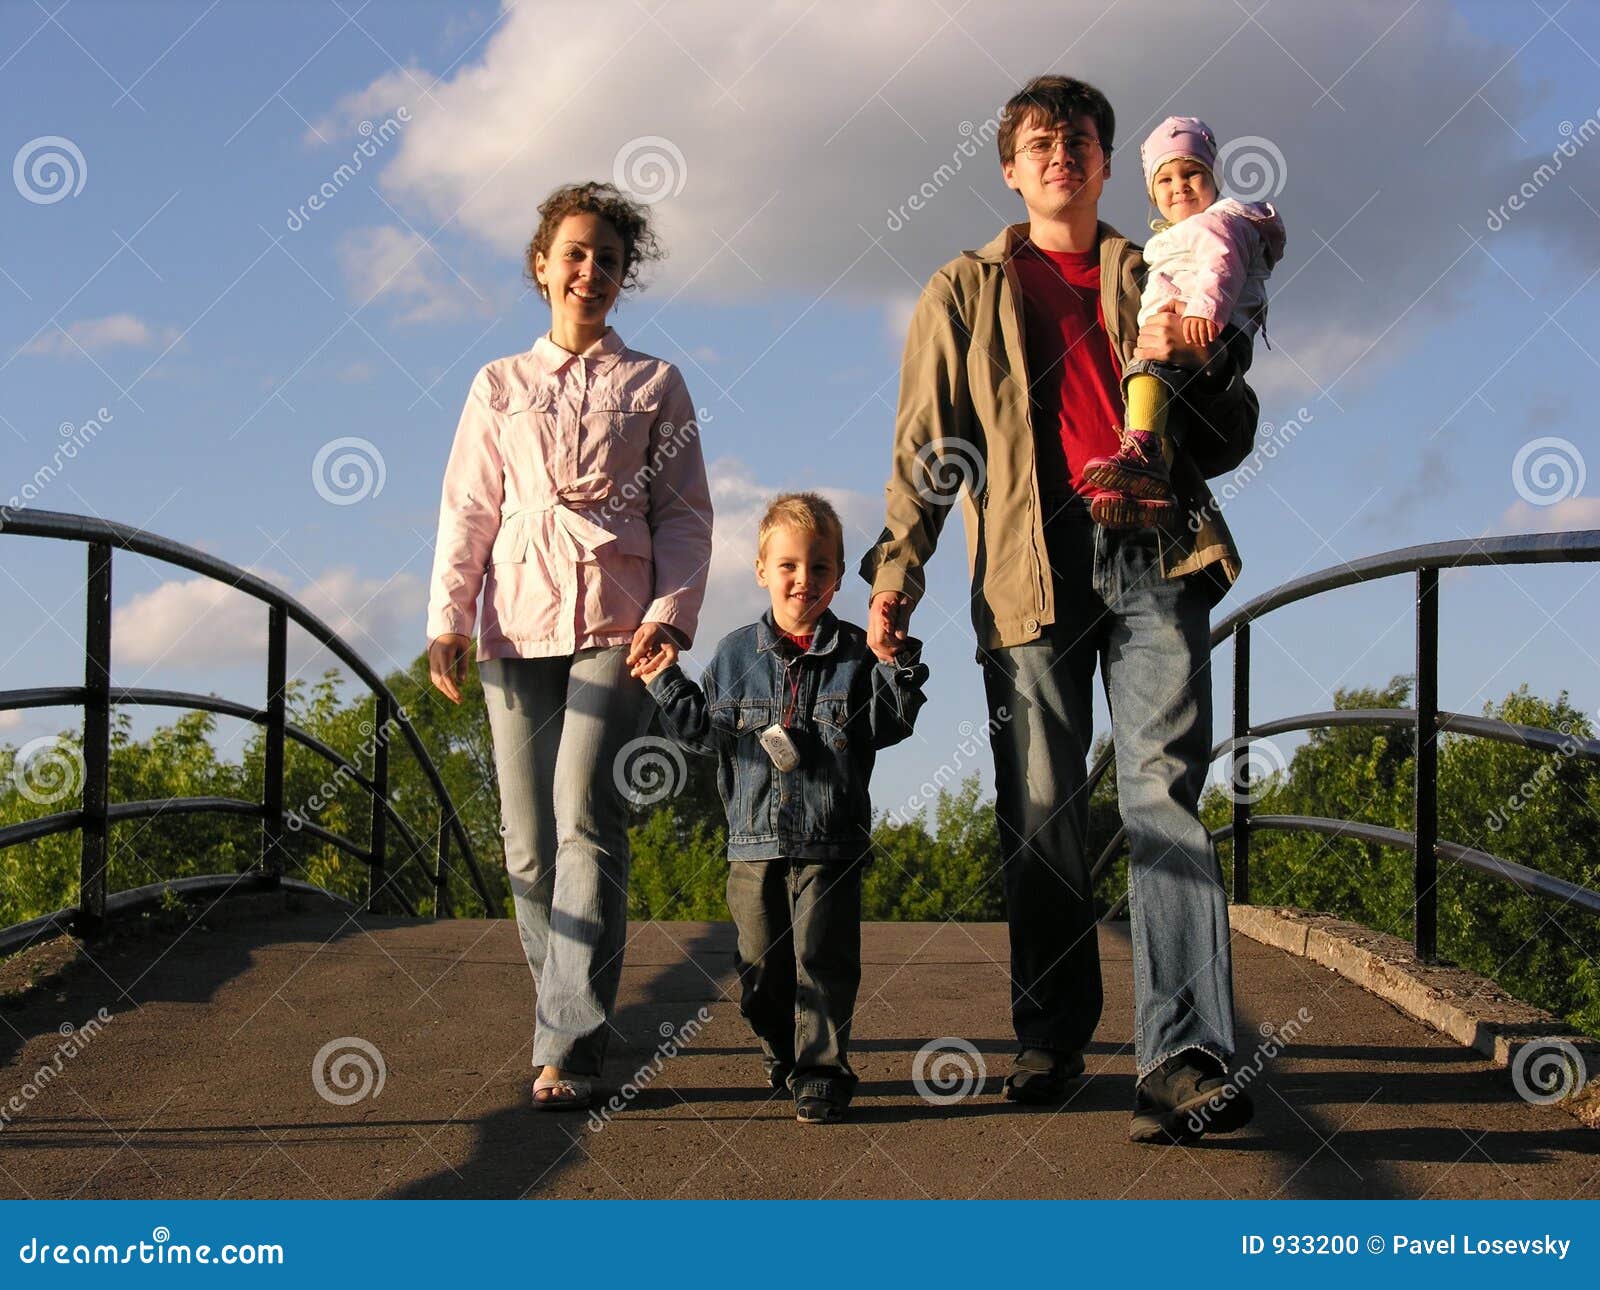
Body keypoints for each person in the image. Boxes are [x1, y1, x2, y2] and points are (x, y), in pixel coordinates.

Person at [861, 75, 1261, 1143]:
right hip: (1026, 568)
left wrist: (1211, 362)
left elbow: (1229, 436)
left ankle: (1184, 1054)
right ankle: (1050, 1034)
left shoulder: (1166, 261)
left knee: (1161, 797)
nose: (1060, 155)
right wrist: (897, 575)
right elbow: (930, 445)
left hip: (1154, 552)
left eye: (1079, 139)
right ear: (1009, 168)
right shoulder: (963, 288)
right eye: (1039, 142)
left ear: (1103, 159)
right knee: (1042, 810)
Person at [426, 181, 713, 1112]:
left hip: (616, 620)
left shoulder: (655, 384)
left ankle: (571, 1045)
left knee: (586, 813)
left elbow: (687, 516)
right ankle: (565, 1009)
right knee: (525, 841)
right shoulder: (497, 384)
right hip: (515, 617)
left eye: (610, 260)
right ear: (543, 265)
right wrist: (449, 617)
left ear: (625, 279)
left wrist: (669, 613)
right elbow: (469, 506)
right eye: (576, 253)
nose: (591, 271)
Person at [637, 493, 928, 1124]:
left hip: (832, 843)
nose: (805, 580)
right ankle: (780, 1047)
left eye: (821, 568)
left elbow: (889, 723)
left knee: (824, 961)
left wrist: (891, 662)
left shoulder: (857, 653)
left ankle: (822, 1070)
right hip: (753, 844)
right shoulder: (735, 655)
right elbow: (699, 729)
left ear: (838, 574)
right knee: (762, 968)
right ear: (763, 570)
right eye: (790, 566)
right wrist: (664, 675)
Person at [1083, 116, 1286, 524]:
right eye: (1166, 180)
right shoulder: (1175, 236)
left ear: (1213, 176)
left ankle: (1142, 451)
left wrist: (1203, 313)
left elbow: (1221, 265)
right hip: (1196, 328)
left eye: (1192, 173)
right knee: (1166, 400)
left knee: (1144, 372)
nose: (1180, 186)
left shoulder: (1217, 222)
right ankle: (1144, 485)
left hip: (1207, 327)